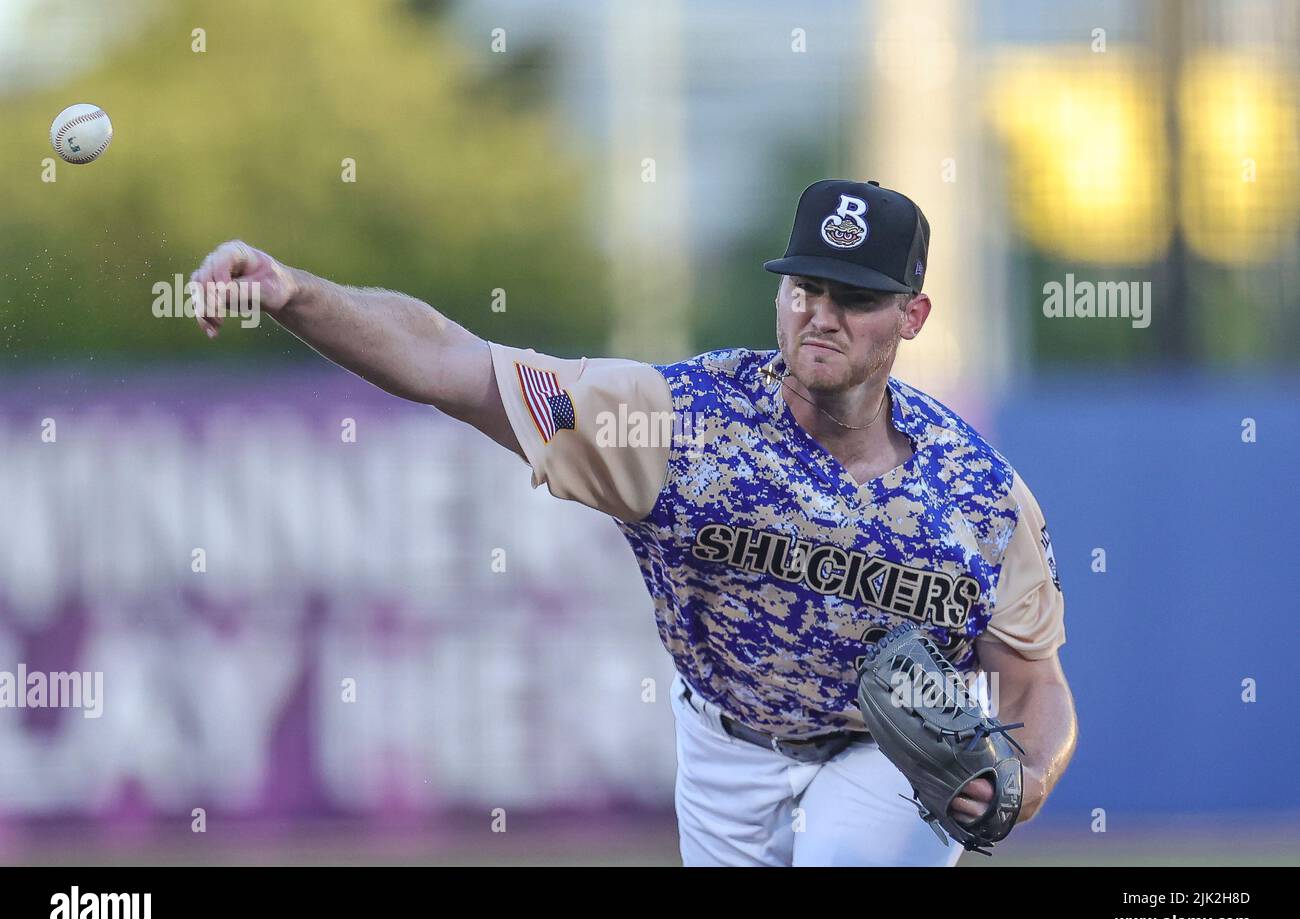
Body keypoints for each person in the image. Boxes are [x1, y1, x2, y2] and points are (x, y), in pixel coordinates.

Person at [191, 178, 1077, 866]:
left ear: (911, 316)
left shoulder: (976, 492)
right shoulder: (674, 425)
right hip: (725, 739)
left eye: (855, 296)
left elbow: (1031, 678)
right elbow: (449, 362)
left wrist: (1028, 779)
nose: (821, 314)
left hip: (887, 749)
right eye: (806, 286)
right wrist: (292, 292)